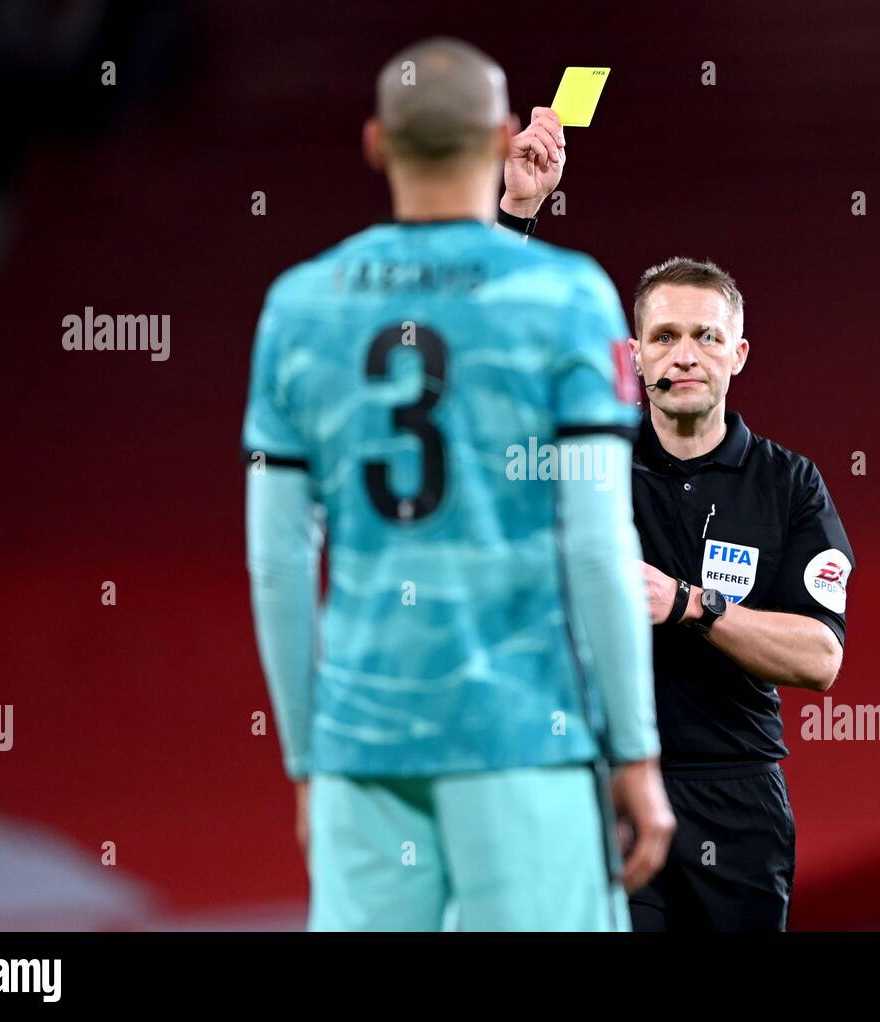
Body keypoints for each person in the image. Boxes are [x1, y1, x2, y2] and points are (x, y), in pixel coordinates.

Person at [242, 39, 673, 932]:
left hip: (365, 748)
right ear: (504, 135)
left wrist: (309, 762)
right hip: (529, 737)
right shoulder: (569, 299)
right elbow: (598, 543)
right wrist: (635, 752)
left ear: (374, 142)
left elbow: (278, 563)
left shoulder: (298, 307)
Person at [497, 124, 856, 932]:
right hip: (605, 781)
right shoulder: (588, 462)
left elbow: (821, 659)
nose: (685, 354)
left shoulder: (790, 484)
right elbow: (490, 360)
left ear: (739, 355)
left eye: (706, 337)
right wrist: (519, 209)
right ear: (634, 355)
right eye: (665, 336)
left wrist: (694, 604)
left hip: (739, 796)